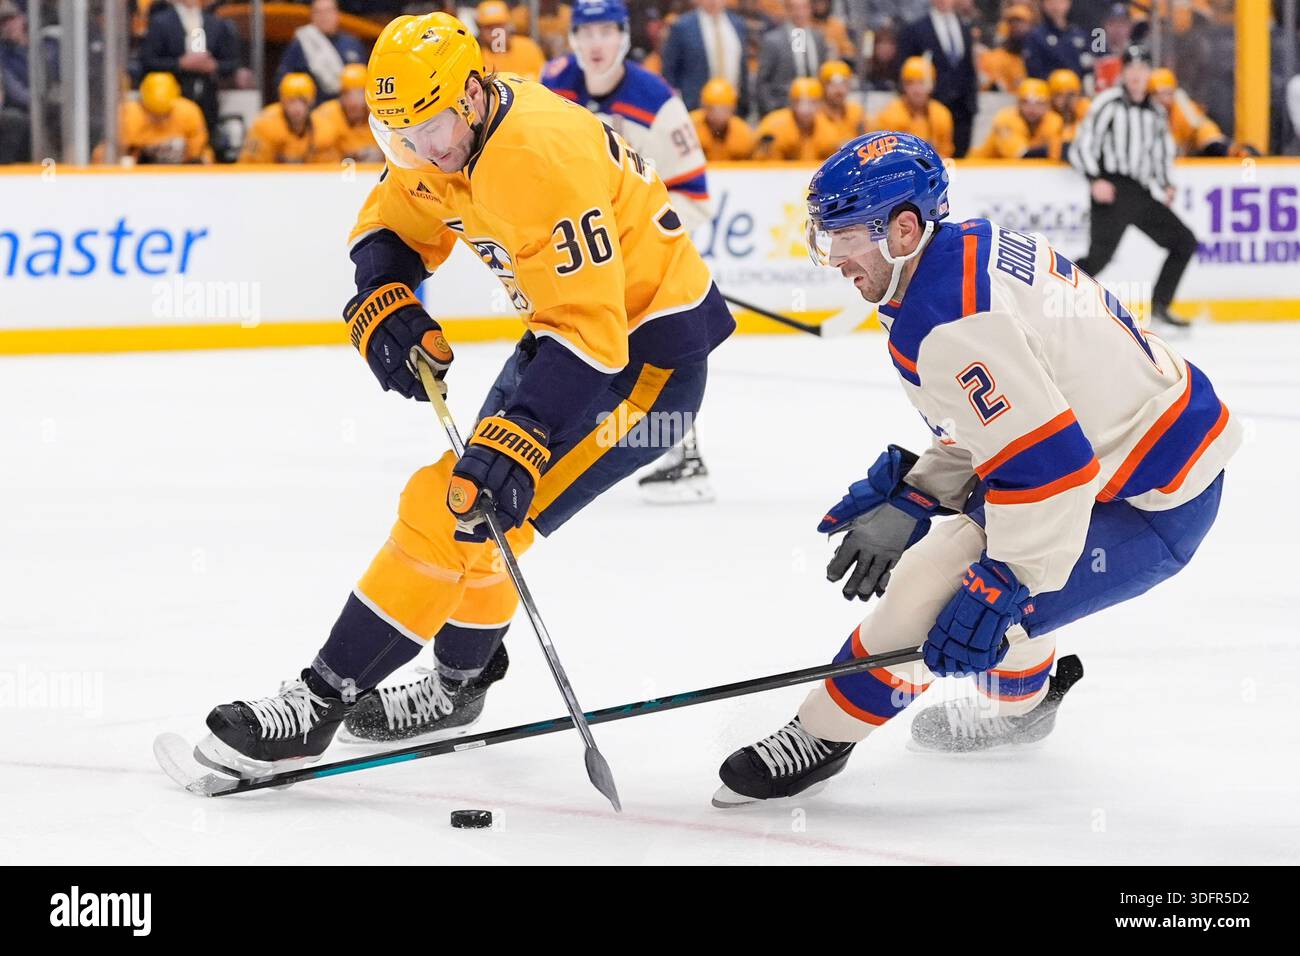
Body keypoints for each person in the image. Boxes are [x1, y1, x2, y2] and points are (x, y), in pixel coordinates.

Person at [194, 12, 734, 771]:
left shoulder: (538, 155)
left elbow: (596, 335)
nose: (419, 153)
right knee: (482, 515)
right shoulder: (439, 127)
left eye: (430, 133)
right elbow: (398, 220)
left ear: (476, 95)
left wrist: (528, 429)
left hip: (641, 372)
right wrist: (387, 292)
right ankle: (461, 682)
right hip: (566, 338)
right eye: (400, 137)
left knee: (451, 503)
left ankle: (320, 700)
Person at [713, 131, 1240, 805]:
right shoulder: (958, 253)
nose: (835, 256)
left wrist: (1005, 580)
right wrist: (919, 493)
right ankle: (1029, 705)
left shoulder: (947, 313)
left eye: (846, 236)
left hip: (1153, 501)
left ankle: (819, 737)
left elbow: (1051, 466)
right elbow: (1014, 418)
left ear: (903, 229)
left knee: (943, 595)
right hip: (1126, 454)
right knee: (960, 579)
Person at [544, 0, 719, 505]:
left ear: (624, 37)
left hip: (643, 255)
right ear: (571, 39)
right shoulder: (550, 90)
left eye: (606, 32)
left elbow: (694, 197)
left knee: (663, 348)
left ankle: (684, 453)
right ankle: (546, 440)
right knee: (563, 340)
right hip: (574, 246)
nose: (595, 44)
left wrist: (635, 244)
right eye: (585, 32)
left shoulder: (657, 101)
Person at [1070, 46, 1196, 329]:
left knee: (1184, 241)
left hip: (1139, 191)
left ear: (1149, 73)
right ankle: (1053, 300)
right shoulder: (1108, 103)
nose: (1137, 74)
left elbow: (1160, 152)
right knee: (1098, 259)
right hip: (1112, 190)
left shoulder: (1155, 111)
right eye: (1132, 68)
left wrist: (1165, 183)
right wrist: (1095, 180)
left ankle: (1161, 304)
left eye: (1143, 68)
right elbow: (1083, 144)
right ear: (1123, 72)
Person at [139, 0, 243, 142]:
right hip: (171, 102)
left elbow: (232, 62)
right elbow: (148, 61)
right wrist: (180, 64)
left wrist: (214, 66)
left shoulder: (215, 23)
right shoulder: (160, 22)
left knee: (205, 142)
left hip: (207, 99)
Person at [897, 0, 978, 155]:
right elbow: (906, 68)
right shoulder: (916, 29)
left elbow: (968, 67)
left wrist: (972, 103)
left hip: (963, 109)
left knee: (959, 158)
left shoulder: (965, 27)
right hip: (932, 104)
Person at [660, 0, 751, 115]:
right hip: (695, 109)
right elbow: (669, 72)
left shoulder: (738, 25)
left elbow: (743, 68)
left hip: (731, 108)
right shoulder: (682, 27)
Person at [100, 71, 211, 164]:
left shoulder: (188, 111)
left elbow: (197, 151)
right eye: (153, 113)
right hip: (140, 173)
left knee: (207, 157)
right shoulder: (128, 114)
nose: (160, 118)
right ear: (142, 103)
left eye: (165, 113)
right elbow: (113, 152)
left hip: (181, 171)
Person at [275, 0, 367, 98]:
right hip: (314, 108)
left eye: (328, 11)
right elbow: (283, 81)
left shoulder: (352, 43)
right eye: (318, 12)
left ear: (337, 13)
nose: (324, 17)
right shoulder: (302, 43)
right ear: (311, 16)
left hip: (348, 108)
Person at [869, 55, 955, 157]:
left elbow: (946, 153)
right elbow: (885, 156)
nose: (916, 90)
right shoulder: (890, 115)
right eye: (910, 83)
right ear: (903, 86)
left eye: (922, 83)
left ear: (932, 85)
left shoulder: (942, 114)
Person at [756, 0, 831, 115]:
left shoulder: (818, 38)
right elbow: (763, 82)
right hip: (783, 109)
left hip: (815, 109)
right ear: (787, 11)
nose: (799, 13)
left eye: (803, 8)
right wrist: (771, 110)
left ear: (810, 9)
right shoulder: (772, 40)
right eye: (794, 8)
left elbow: (823, 74)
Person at [966, 76, 1064, 159]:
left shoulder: (1054, 120)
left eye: (1039, 103)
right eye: (1026, 102)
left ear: (1048, 105)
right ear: (1018, 103)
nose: (1032, 109)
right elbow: (1020, 154)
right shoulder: (1005, 119)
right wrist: (1055, 150)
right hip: (979, 170)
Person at [1147, 67, 1234, 157]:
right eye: (1160, 94)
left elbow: (1201, 127)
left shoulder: (1180, 105)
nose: (1165, 99)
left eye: (1168, 93)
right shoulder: (1146, 113)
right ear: (1151, 96)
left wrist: (1220, 147)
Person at [239, 72, 321, 164]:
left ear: (311, 101)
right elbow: (252, 167)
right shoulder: (265, 124)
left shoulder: (322, 126)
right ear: (282, 100)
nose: (297, 107)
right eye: (291, 101)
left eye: (303, 101)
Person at [754, 76, 841, 160]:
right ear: (791, 103)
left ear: (820, 103)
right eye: (799, 102)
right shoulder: (774, 126)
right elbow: (765, 168)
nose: (805, 109)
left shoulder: (828, 130)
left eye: (812, 102)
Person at [311, 62, 382, 163]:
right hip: (334, 173)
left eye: (359, 94)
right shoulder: (325, 115)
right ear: (341, 96)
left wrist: (382, 153)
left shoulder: (380, 116)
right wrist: (345, 156)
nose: (353, 101)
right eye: (347, 94)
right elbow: (313, 152)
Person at [1022, 0, 1092, 81]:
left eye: (1060, 2)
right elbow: (1033, 70)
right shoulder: (1035, 36)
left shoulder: (1079, 33)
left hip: (1079, 88)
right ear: (1043, 4)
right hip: (1048, 88)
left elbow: (1088, 64)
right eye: (1051, 2)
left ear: (1068, 3)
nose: (1056, 6)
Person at [477, 0, 546, 80]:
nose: (496, 32)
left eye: (499, 25)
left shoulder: (529, 47)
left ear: (508, 25)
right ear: (480, 29)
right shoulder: (477, 57)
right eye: (489, 27)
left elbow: (545, 79)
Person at [691, 77, 756, 160]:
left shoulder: (744, 134)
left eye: (724, 109)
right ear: (704, 107)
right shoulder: (689, 128)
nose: (718, 115)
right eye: (712, 109)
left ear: (733, 109)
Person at [976, 3, 1033, 92]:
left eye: (1021, 22)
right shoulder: (993, 57)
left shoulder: (1034, 55)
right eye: (1012, 22)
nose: (1016, 27)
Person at [818, 60, 864, 143]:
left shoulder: (856, 112)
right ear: (822, 85)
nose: (839, 90)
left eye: (844, 83)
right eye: (832, 84)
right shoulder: (813, 116)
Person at [1048, 66, 1089, 157]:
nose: (1066, 100)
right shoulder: (1047, 118)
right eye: (1059, 94)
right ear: (1051, 96)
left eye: (1071, 95)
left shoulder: (1087, 111)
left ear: (1079, 95)